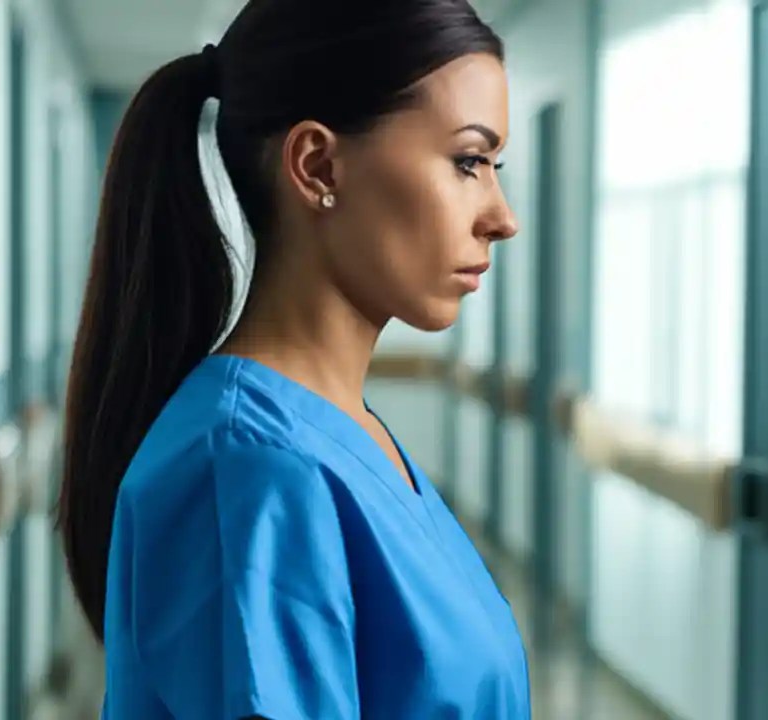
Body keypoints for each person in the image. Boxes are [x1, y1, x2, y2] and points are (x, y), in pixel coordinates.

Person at [56, 0, 526, 717]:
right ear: (317, 165)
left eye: (495, 166)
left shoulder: (341, 434)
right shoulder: (250, 468)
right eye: (469, 162)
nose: (503, 217)